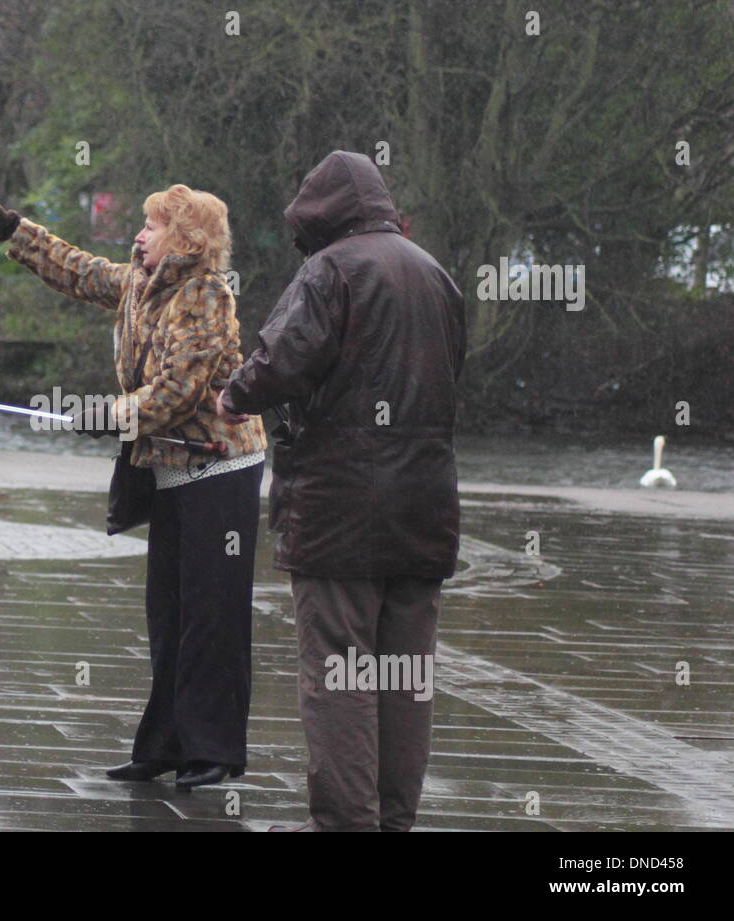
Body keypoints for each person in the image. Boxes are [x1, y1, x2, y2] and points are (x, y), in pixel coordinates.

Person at [0, 184, 268, 790]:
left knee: (211, 614)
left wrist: (107, 414)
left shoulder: (205, 294)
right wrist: (13, 229)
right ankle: (165, 746)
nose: (139, 235)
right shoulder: (140, 284)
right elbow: (79, 270)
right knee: (169, 613)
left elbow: (179, 391)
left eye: (152, 226)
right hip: (172, 468)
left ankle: (215, 751)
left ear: (185, 238)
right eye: (144, 224)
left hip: (219, 469)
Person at [218, 151, 467, 831]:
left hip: (339, 511)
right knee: (404, 677)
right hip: (425, 509)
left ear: (318, 216)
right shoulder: (434, 273)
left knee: (342, 673)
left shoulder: (330, 271)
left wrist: (233, 397)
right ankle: (393, 817)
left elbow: (281, 360)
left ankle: (345, 821)